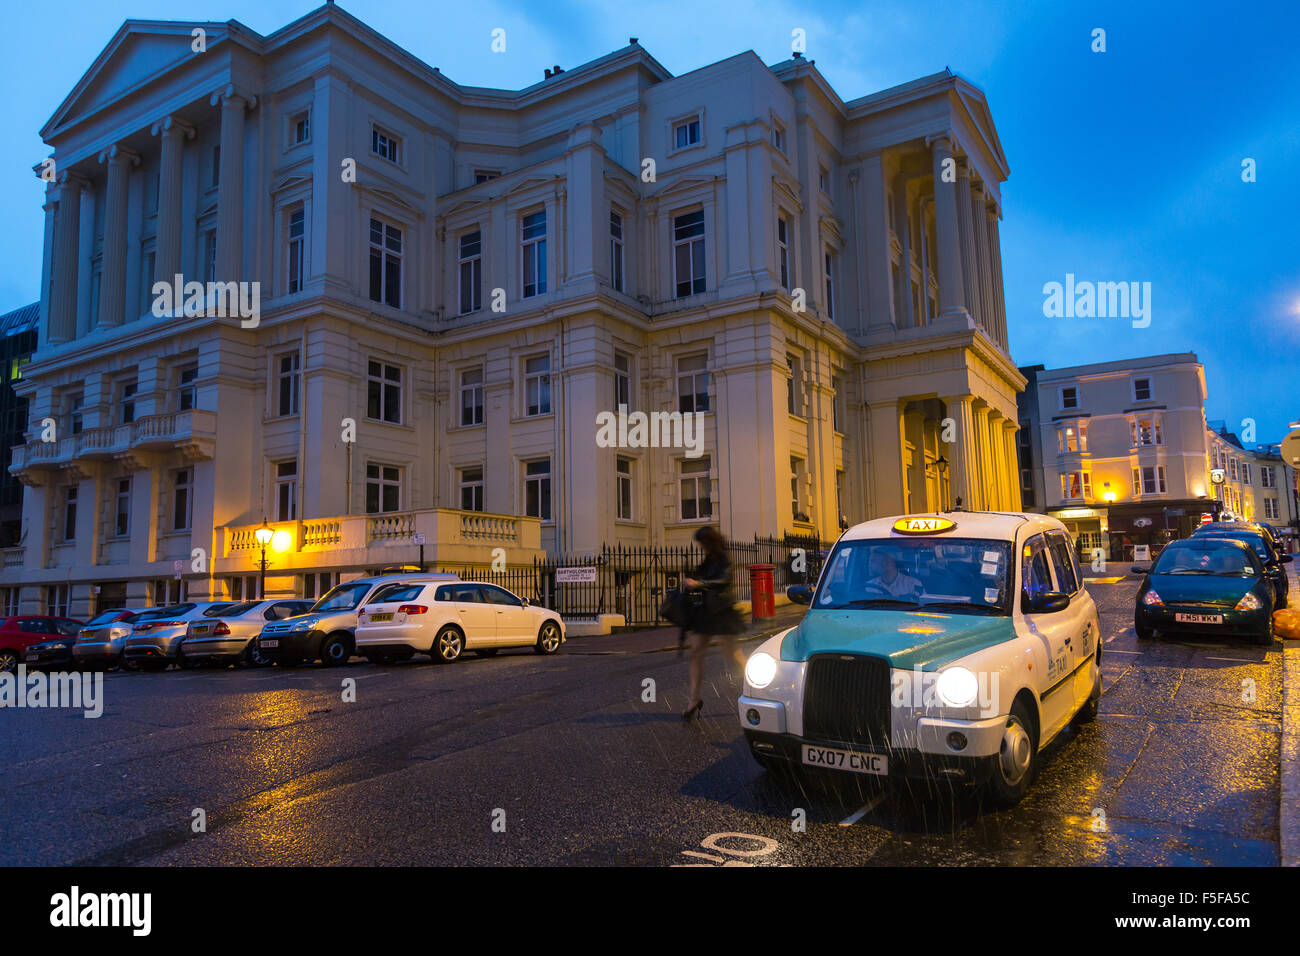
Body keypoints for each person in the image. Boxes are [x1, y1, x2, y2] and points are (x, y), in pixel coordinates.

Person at [681, 526, 746, 721]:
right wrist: (692, 576)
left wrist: (700, 583)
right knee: (696, 653)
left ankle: (757, 691)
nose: (700, 548)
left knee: (733, 657)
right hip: (707, 612)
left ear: (710, 542)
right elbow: (704, 577)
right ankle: (694, 700)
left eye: (702, 544)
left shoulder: (726, 556)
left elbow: (724, 580)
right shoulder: (709, 559)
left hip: (723, 612)